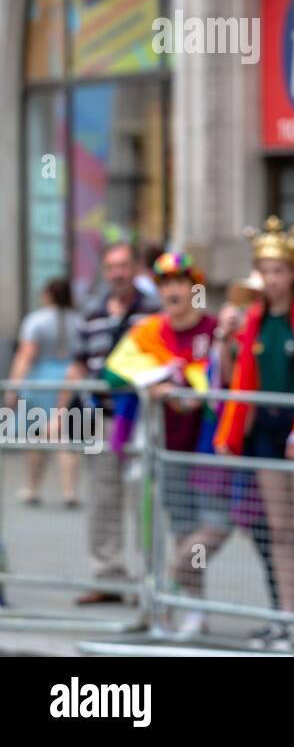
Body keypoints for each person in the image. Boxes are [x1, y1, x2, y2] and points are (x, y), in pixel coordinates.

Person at [214, 216, 294, 651]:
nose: (270, 279)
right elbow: (234, 377)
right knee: (279, 527)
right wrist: (227, 341)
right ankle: (283, 616)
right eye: (264, 270)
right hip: (264, 427)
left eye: (278, 270)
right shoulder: (252, 318)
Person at [102, 252, 224, 638]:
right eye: (165, 283)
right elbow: (113, 371)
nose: (172, 290)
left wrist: (186, 382)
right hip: (166, 447)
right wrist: (153, 382)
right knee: (182, 527)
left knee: (216, 525)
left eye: (181, 283)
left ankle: (173, 582)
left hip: (210, 448)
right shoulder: (148, 330)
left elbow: (220, 376)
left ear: (196, 289)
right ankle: (194, 608)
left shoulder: (214, 329)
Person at [65, 241, 160, 604]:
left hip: (140, 419)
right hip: (101, 418)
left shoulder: (152, 311)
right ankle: (108, 576)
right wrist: (64, 409)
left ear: (135, 267)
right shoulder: (91, 312)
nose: (117, 273)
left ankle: (148, 580)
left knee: (143, 499)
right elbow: (77, 362)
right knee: (103, 498)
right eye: (111, 267)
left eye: (123, 266)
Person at [5, 278, 78, 506]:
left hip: (41, 381)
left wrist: (12, 388)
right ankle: (69, 491)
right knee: (67, 437)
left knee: (36, 437)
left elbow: (25, 356)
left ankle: (33, 487)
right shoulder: (79, 320)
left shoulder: (36, 321)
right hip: (71, 378)